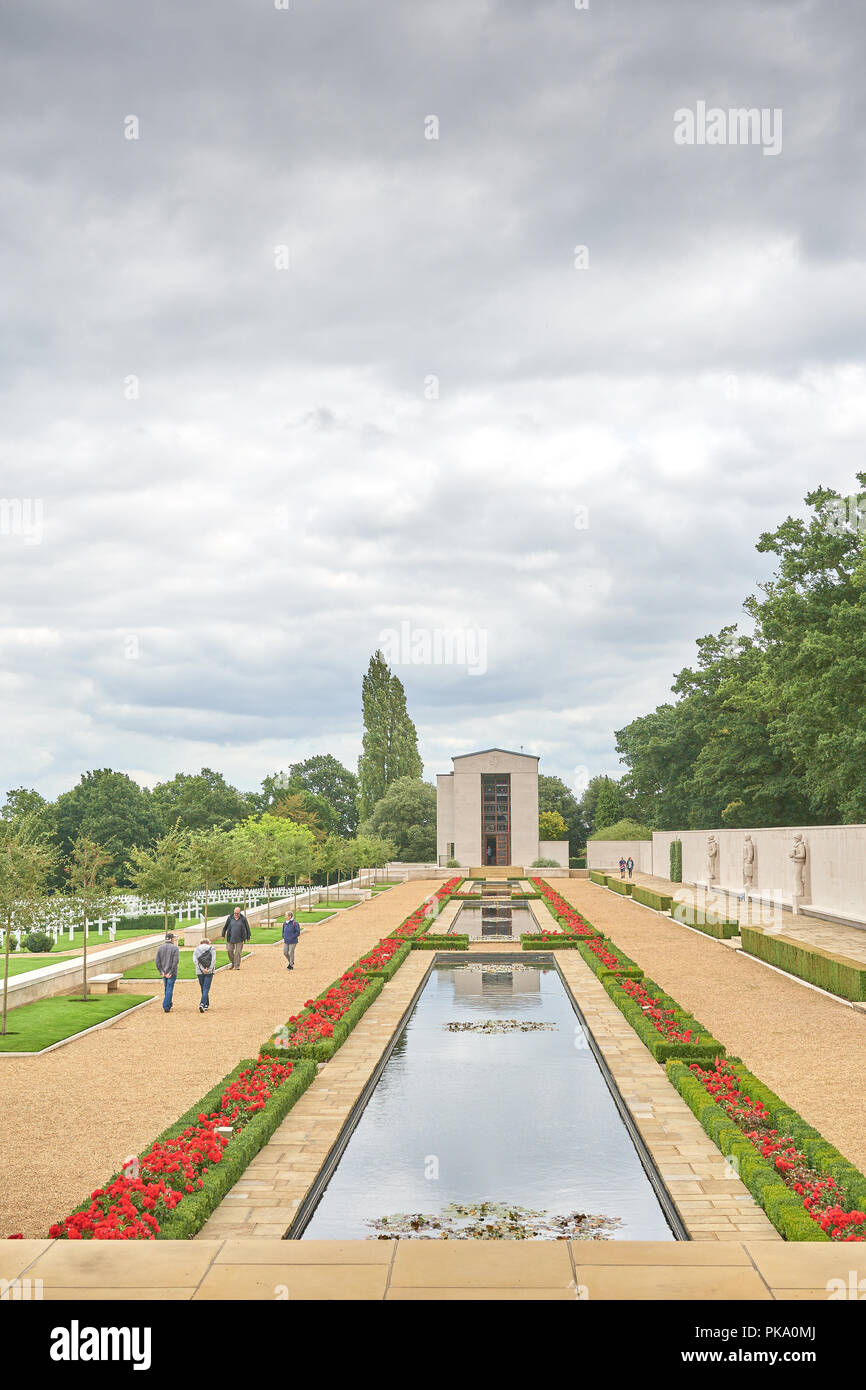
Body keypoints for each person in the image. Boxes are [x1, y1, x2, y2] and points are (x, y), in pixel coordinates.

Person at [155, 931, 179, 1013]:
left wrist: (161, 972)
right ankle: (166, 1005)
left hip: (164, 972)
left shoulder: (160, 948)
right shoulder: (175, 948)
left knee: (167, 988)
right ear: (172, 939)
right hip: (171, 973)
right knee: (169, 988)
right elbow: (175, 962)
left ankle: (169, 1003)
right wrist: (171, 972)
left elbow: (157, 961)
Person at [193, 935, 215, 1012]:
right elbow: (213, 961)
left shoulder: (196, 949)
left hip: (199, 971)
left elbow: (196, 961)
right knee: (206, 988)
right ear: (208, 943)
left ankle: (206, 1004)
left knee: (203, 988)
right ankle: (202, 1004)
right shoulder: (212, 949)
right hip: (209, 971)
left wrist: (202, 969)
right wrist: (209, 969)